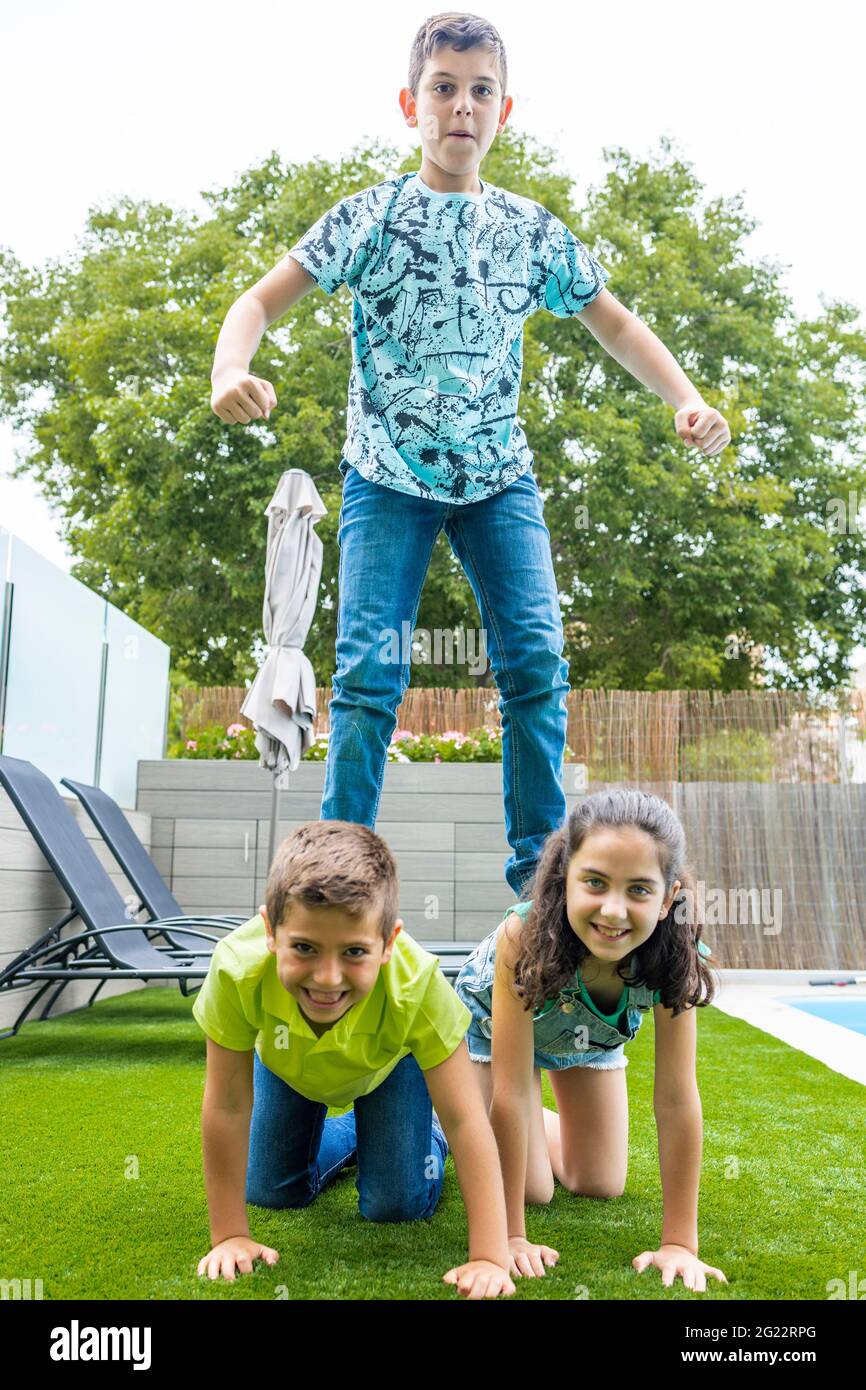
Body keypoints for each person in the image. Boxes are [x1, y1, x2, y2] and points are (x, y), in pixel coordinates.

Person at [209, 14, 732, 897]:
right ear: (411, 104)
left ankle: (540, 875)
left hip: (499, 482)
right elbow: (257, 302)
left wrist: (687, 396)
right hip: (386, 477)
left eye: (480, 90)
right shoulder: (368, 219)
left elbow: (617, 323)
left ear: (504, 110)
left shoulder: (529, 231)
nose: (462, 106)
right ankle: (340, 867)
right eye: (444, 89)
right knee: (370, 674)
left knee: (535, 663)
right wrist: (231, 367)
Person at [192, 819, 514, 1299]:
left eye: (354, 952)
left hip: (389, 1068)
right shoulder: (236, 969)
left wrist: (489, 1256)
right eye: (304, 947)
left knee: (395, 1204)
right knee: (269, 1191)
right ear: (269, 931)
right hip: (289, 1065)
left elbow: (467, 1119)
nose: (327, 978)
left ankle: (422, 1136)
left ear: (388, 943)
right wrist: (230, 1236)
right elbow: (227, 1106)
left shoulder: (418, 985)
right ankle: (360, 1135)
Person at [454, 788, 729, 1292]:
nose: (614, 910)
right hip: (494, 1033)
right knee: (534, 1189)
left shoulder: (676, 955)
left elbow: (675, 1097)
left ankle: (512, 1122)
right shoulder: (524, 935)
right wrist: (511, 1236)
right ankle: (454, 1115)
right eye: (595, 883)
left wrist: (680, 1243)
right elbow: (513, 1092)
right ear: (565, 880)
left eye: (640, 890)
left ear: (669, 899)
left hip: (586, 1041)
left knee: (599, 1183)